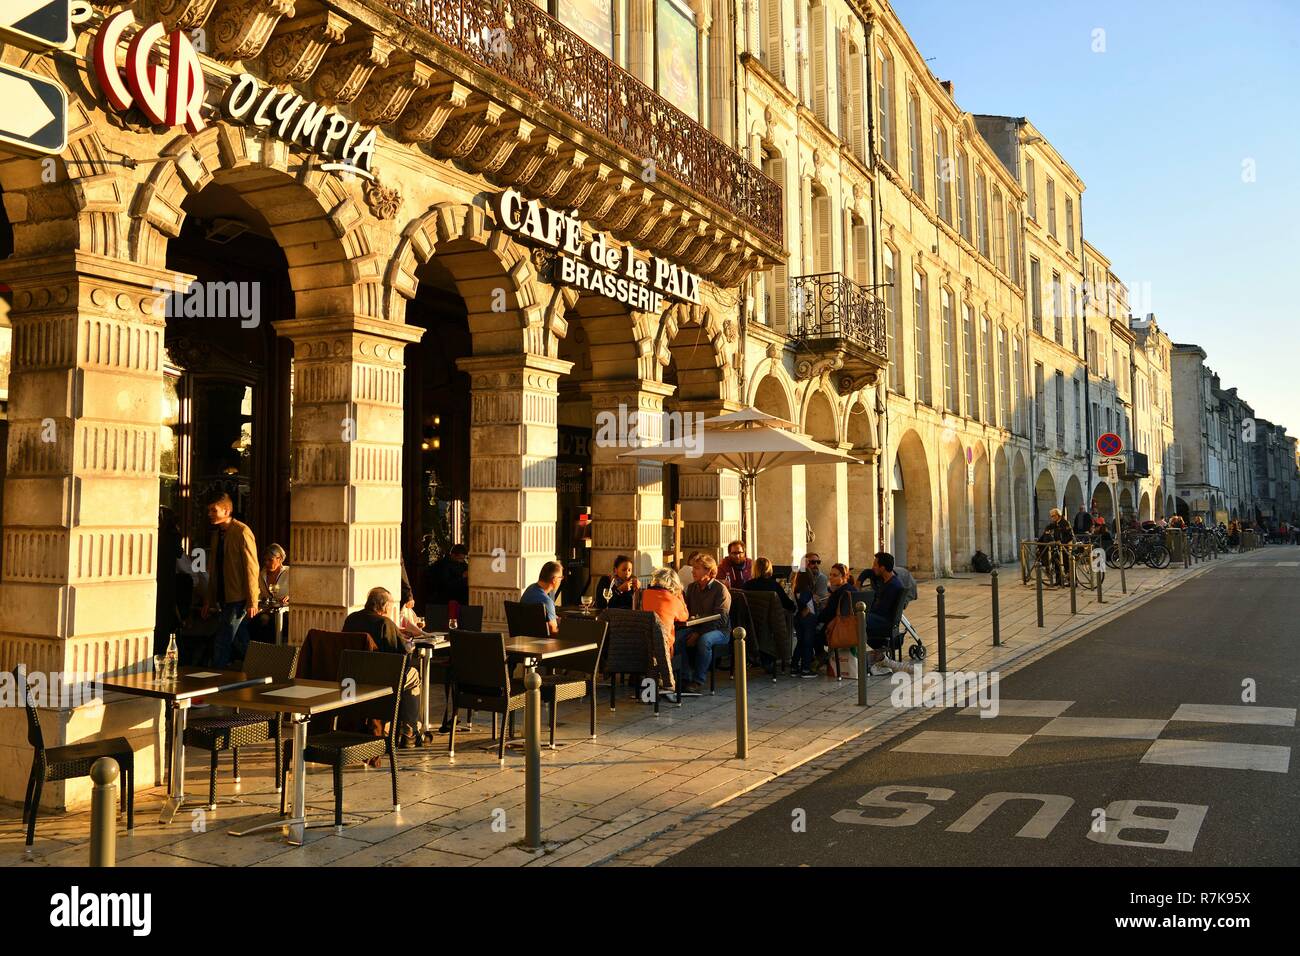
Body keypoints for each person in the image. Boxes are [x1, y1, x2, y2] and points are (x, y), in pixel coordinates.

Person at [342, 587, 422, 747]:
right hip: (379, 680)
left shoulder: (351, 619)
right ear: (384, 606)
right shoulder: (385, 623)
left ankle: (403, 730)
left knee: (405, 675)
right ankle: (409, 732)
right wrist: (408, 644)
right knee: (413, 675)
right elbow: (401, 657)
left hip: (351, 679)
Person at [202, 491, 260, 668]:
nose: (210, 514)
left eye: (214, 510)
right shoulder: (217, 535)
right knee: (239, 639)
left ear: (226, 511)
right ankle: (260, 668)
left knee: (223, 639)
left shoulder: (242, 532)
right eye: (209, 511)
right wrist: (209, 600)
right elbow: (215, 570)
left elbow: (251, 568)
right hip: (224, 596)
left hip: (238, 597)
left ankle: (216, 677)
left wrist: (252, 601)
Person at [674, 555, 731, 694]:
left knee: (704, 641)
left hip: (720, 631)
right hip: (696, 627)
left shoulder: (720, 590)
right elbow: (687, 612)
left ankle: (698, 680)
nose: (693, 571)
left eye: (697, 568)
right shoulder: (692, 587)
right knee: (676, 637)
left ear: (709, 572)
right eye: (693, 567)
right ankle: (685, 677)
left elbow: (721, 619)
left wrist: (698, 634)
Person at [793, 562, 851, 677]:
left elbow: (827, 615)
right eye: (830, 574)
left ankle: (809, 663)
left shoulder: (838, 593)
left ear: (844, 577)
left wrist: (816, 617)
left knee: (808, 639)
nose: (830, 577)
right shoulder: (850, 589)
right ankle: (812, 662)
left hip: (835, 630)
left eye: (835, 575)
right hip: (849, 628)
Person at [863, 553, 909, 676]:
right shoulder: (890, 581)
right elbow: (867, 572)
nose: (873, 568)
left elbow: (881, 610)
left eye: (875, 565)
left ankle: (869, 658)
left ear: (882, 568)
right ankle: (872, 657)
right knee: (857, 620)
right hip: (883, 619)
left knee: (857, 621)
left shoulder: (892, 586)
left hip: (883, 621)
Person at [640, 566, 689, 662]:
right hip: (663, 649)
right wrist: (680, 596)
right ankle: (685, 675)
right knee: (685, 636)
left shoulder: (645, 594)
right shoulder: (673, 600)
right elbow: (685, 616)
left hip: (644, 644)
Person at [244, 543, 289, 645]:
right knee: (250, 624)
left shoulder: (289, 573)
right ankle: (256, 654)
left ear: (280, 559)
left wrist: (291, 596)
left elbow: (301, 591)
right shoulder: (261, 574)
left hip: (284, 614)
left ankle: (271, 655)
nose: (266, 563)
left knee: (270, 626)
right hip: (265, 612)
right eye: (265, 560)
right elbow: (257, 592)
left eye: (270, 560)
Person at [520, 561, 564, 634]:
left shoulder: (529, 589)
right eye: (560, 578)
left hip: (525, 639)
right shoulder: (546, 601)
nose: (561, 581)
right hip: (543, 642)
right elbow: (553, 631)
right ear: (554, 580)